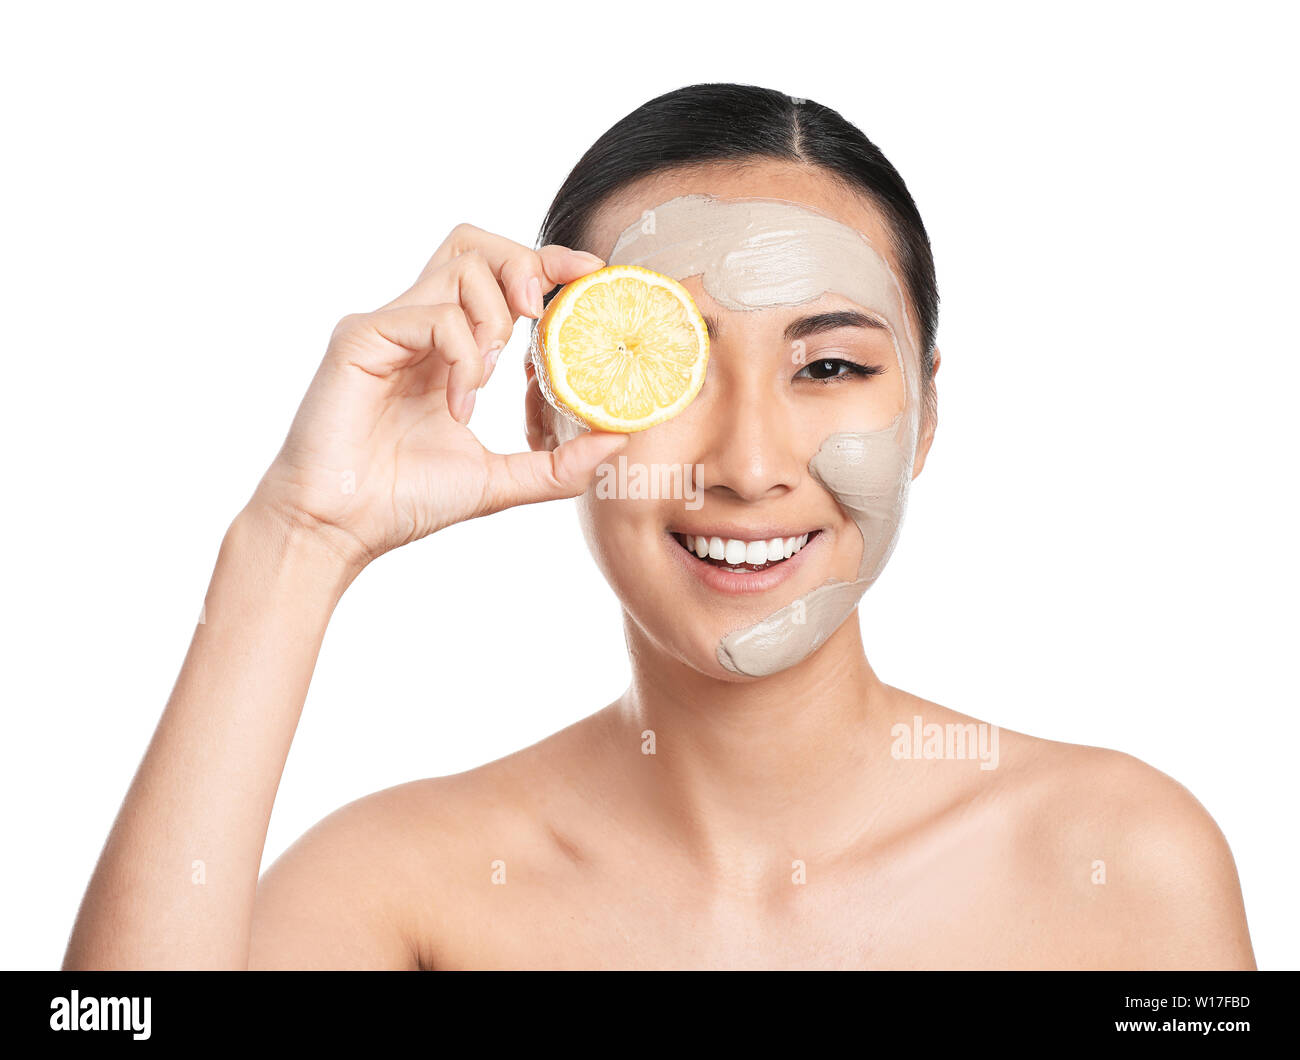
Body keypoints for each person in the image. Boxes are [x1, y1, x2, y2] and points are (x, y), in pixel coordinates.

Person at [63, 83, 1255, 970]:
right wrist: (296, 540)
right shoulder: (401, 890)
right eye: (669, 364)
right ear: (549, 406)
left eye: (828, 365)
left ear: (926, 416)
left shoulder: (1119, 860)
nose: (747, 467)